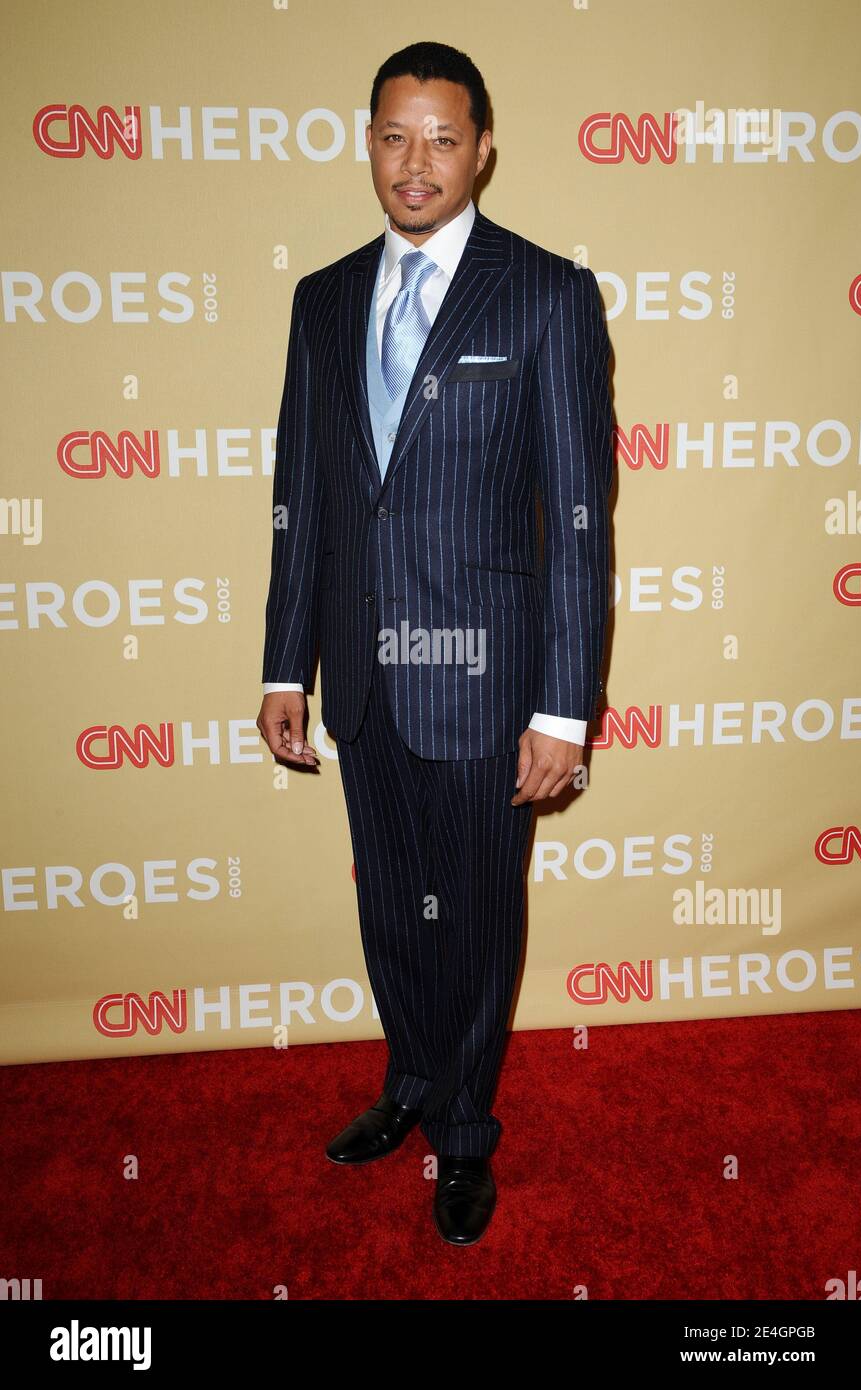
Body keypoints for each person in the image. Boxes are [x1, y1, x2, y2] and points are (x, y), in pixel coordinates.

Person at [257, 40, 614, 1246]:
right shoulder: (320, 298)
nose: (416, 163)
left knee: (472, 914)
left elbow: (579, 519)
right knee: (393, 913)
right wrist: (280, 664)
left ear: (483, 152)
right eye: (394, 136)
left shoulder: (546, 294)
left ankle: (465, 1131)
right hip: (362, 677)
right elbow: (301, 495)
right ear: (368, 141)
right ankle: (409, 1081)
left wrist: (564, 708)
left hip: (484, 679)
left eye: (442, 139)